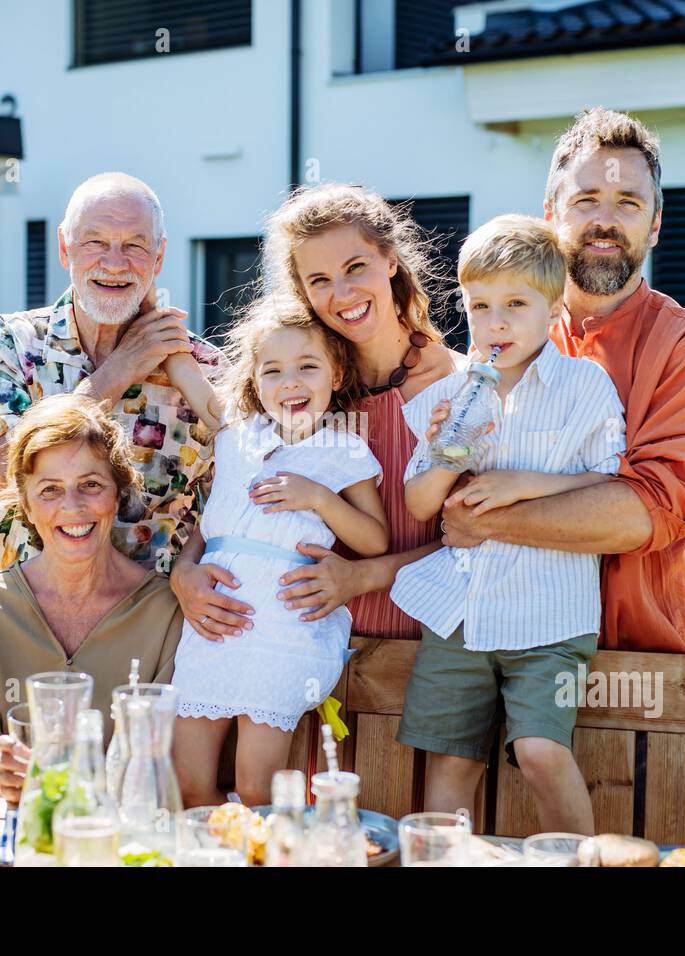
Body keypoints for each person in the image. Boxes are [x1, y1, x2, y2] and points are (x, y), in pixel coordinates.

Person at [439, 108, 685, 657]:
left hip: (650, 664)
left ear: (656, 223)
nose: (606, 220)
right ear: (550, 215)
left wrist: (486, 522)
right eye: (586, 199)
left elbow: (644, 512)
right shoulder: (499, 337)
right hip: (509, 649)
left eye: (628, 203)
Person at [390, 215, 624, 833]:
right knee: (451, 762)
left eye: (516, 304)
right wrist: (449, 449)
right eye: (480, 306)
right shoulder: (456, 392)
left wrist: (527, 485)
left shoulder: (585, 385)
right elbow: (420, 503)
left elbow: (610, 481)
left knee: (542, 751)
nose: (496, 323)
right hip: (462, 613)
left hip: (551, 614)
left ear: (553, 310)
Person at [169, 183, 464, 645]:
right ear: (303, 292)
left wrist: (364, 576)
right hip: (300, 641)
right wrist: (185, 570)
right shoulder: (300, 391)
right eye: (320, 280)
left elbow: (475, 535)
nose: (343, 294)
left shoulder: (460, 390)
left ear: (391, 261)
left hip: (429, 647)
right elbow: (237, 486)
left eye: (356, 267)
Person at [171, 296, 389, 807]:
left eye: (307, 367)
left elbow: (374, 539)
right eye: (273, 371)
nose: (290, 382)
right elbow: (212, 521)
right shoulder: (235, 438)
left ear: (335, 375)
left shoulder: (344, 448)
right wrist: (188, 563)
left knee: (256, 786)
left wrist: (318, 497)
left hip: (283, 630)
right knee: (186, 778)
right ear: (255, 382)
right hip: (212, 627)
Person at [0, 172, 221, 585]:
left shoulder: (205, 369)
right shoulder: (11, 341)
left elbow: (239, 491)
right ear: (65, 248)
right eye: (95, 242)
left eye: (134, 245)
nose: (115, 263)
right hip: (23, 611)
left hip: (152, 625)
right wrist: (119, 371)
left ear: (159, 257)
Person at [0, 394, 183, 797]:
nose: (73, 507)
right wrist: (0, 776)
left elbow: (165, 763)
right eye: (50, 489)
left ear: (119, 494)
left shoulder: (166, 612)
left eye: (90, 485)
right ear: (26, 506)